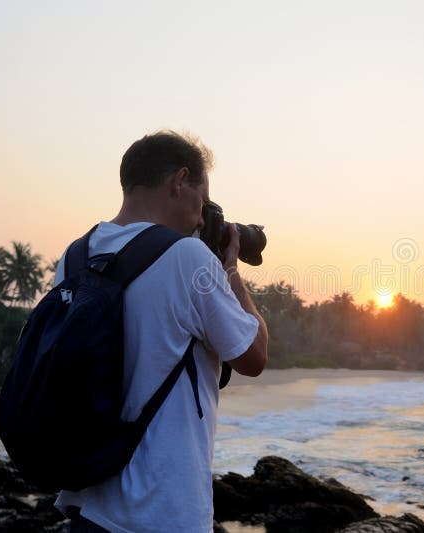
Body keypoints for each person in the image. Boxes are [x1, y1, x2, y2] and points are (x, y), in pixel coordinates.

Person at [53, 131, 268, 532]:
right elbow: (254, 355)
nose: (203, 217)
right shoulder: (188, 257)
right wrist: (231, 269)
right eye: (203, 201)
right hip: (162, 510)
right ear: (179, 181)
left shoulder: (75, 255)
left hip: (88, 501)